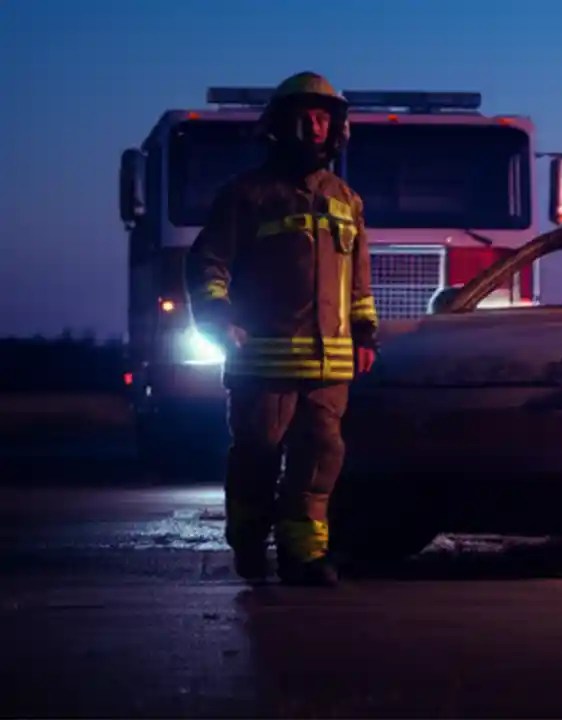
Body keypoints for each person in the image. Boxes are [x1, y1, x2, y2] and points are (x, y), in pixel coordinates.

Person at [185, 71, 379, 587]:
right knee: (257, 456)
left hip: (331, 363)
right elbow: (208, 263)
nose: (315, 127)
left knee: (320, 457)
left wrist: (365, 333)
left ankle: (304, 556)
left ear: (336, 127)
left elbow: (359, 280)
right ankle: (249, 543)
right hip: (262, 361)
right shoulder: (247, 196)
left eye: (323, 118)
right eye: (305, 117)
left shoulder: (348, 201)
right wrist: (219, 316)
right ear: (281, 125)